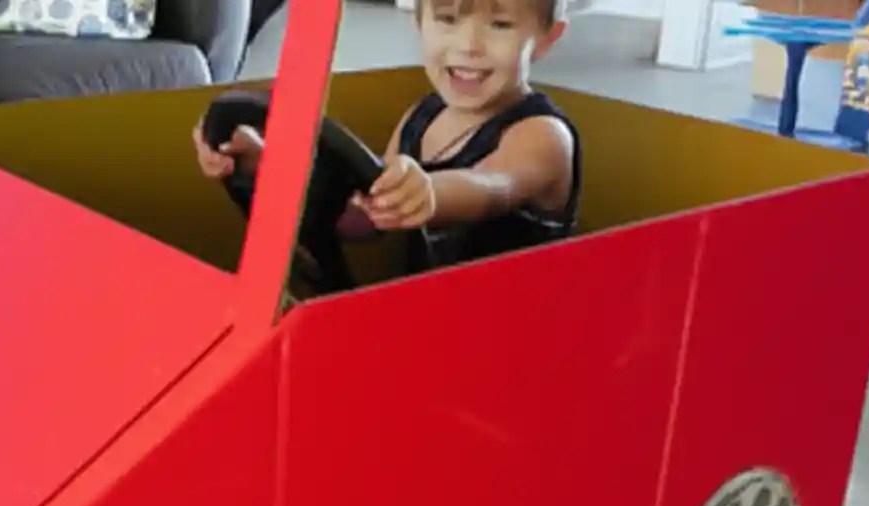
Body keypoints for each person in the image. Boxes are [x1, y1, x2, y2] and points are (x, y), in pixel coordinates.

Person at [192, 0, 581, 292]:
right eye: (447, 19)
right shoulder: (421, 117)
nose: (469, 46)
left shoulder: (542, 136)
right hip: (424, 324)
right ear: (420, 21)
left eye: (500, 25)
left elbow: (496, 187)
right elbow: (364, 220)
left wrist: (429, 193)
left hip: (512, 339)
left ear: (547, 38)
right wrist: (263, 167)